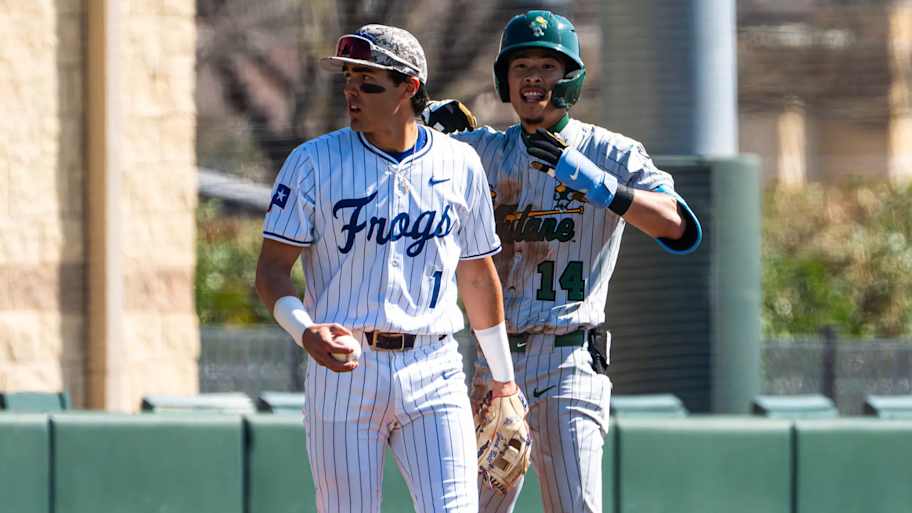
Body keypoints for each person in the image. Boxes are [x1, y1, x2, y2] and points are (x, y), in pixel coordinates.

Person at [421, 10, 702, 513]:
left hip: (568, 358)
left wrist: (601, 185)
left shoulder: (610, 151)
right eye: (520, 65)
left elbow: (678, 226)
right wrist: (426, 126)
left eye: (548, 66)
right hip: (494, 362)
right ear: (503, 80)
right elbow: (400, 148)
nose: (533, 76)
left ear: (570, 78)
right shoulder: (480, 152)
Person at [254, 24, 525, 513]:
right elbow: (272, 271)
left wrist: (504, 380)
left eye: (369, 83)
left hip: (433, 364)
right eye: (349, 81)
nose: (352, 93)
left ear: (410, 87)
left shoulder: (460, 163)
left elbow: (478, 275)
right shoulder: (312, 162)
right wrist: (305, 332)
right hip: (345, 366)